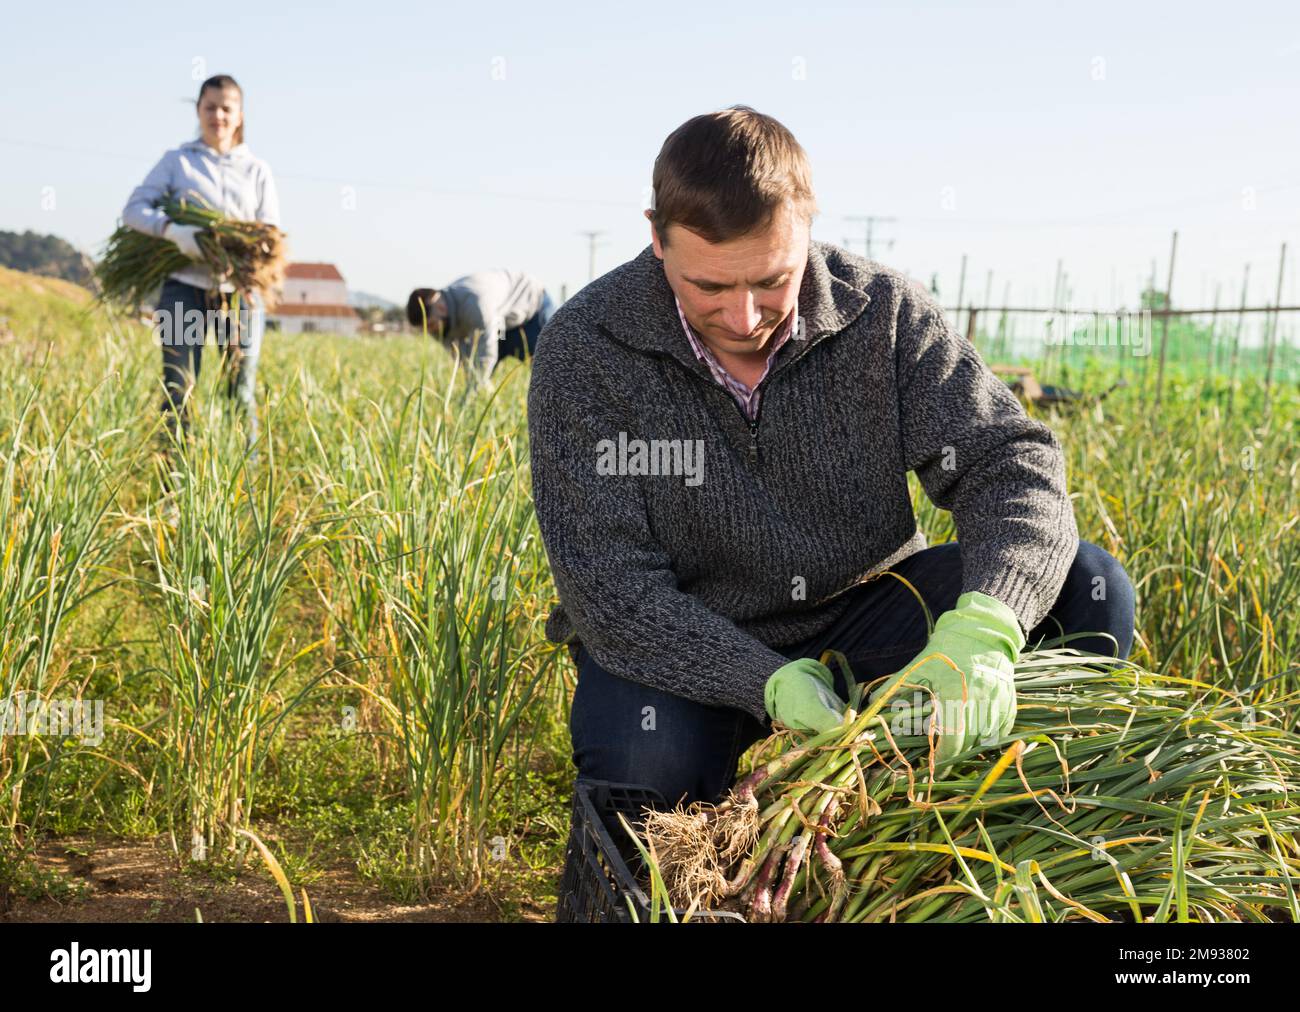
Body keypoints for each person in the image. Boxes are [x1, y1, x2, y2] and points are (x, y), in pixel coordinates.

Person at [527, 106, 1136, 820]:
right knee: (648, 765)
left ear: (807, 229)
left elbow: (1009, 462)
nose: (746, 317)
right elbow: (611, 590)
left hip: (865, 609)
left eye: (770, 281)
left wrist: (985, 628)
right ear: (656, 238)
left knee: (1088, 590)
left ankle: (995, 831)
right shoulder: (586, 350)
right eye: (711, 289)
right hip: (685, 634)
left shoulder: (883, 315)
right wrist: (766, 680)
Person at [122, 73, 280, 456]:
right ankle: (173, 488)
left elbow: (271, 234)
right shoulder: (177, 162)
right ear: (198, 110)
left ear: (240, 115)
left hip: (240, 296)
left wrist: (249, 266)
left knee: (240, 390)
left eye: (227, 108)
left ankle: (246, 487)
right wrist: (172, 230)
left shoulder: (256, 170)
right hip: (183, 289)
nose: (218, 116)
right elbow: (133, 210)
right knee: (178, 387)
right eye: (210, 108)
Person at [406, 271, 555, 385]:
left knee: (549, 373)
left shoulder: (475, 303)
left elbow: (485, 354)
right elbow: (463, 358)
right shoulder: (438, 323)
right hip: (500, 326)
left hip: (531, 311)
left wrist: (475, 388)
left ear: (441, 307)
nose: (431, 332)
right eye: (426, 329)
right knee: (479, 375)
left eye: (431, 325)